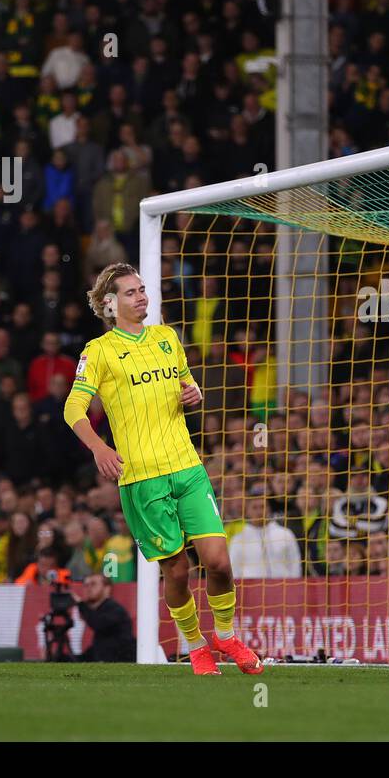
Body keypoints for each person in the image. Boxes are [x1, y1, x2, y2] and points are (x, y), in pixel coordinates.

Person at [63, 261, 263, 675]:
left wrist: (194, 393)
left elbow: (187, 386)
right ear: (110, 304)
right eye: (132, 292)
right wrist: (100, 448)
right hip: (141, 477)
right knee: (177, 569)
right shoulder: (97, 352)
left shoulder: (167, 338)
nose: (142, 297)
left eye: (143, 289)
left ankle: (224, 634)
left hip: (187, 466)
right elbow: (73, 409)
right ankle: (195, 646)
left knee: (219, 562)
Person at [228, 481, 303, 578]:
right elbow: (234, 571)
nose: (259, 511)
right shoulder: (238, 539)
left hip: (282, 589)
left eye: (263, 507)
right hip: (251, 590)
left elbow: (295, 564)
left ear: (269, 509)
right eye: (255, 508)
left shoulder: (285, 534)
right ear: (247, 511)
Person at [75, 573, 137, 662]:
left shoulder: (115, 609)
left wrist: (81, 605)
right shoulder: (101, 609)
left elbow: (97, 623)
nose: (88, 588)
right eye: (86, 585)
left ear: (107, 588)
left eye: (93, 584)